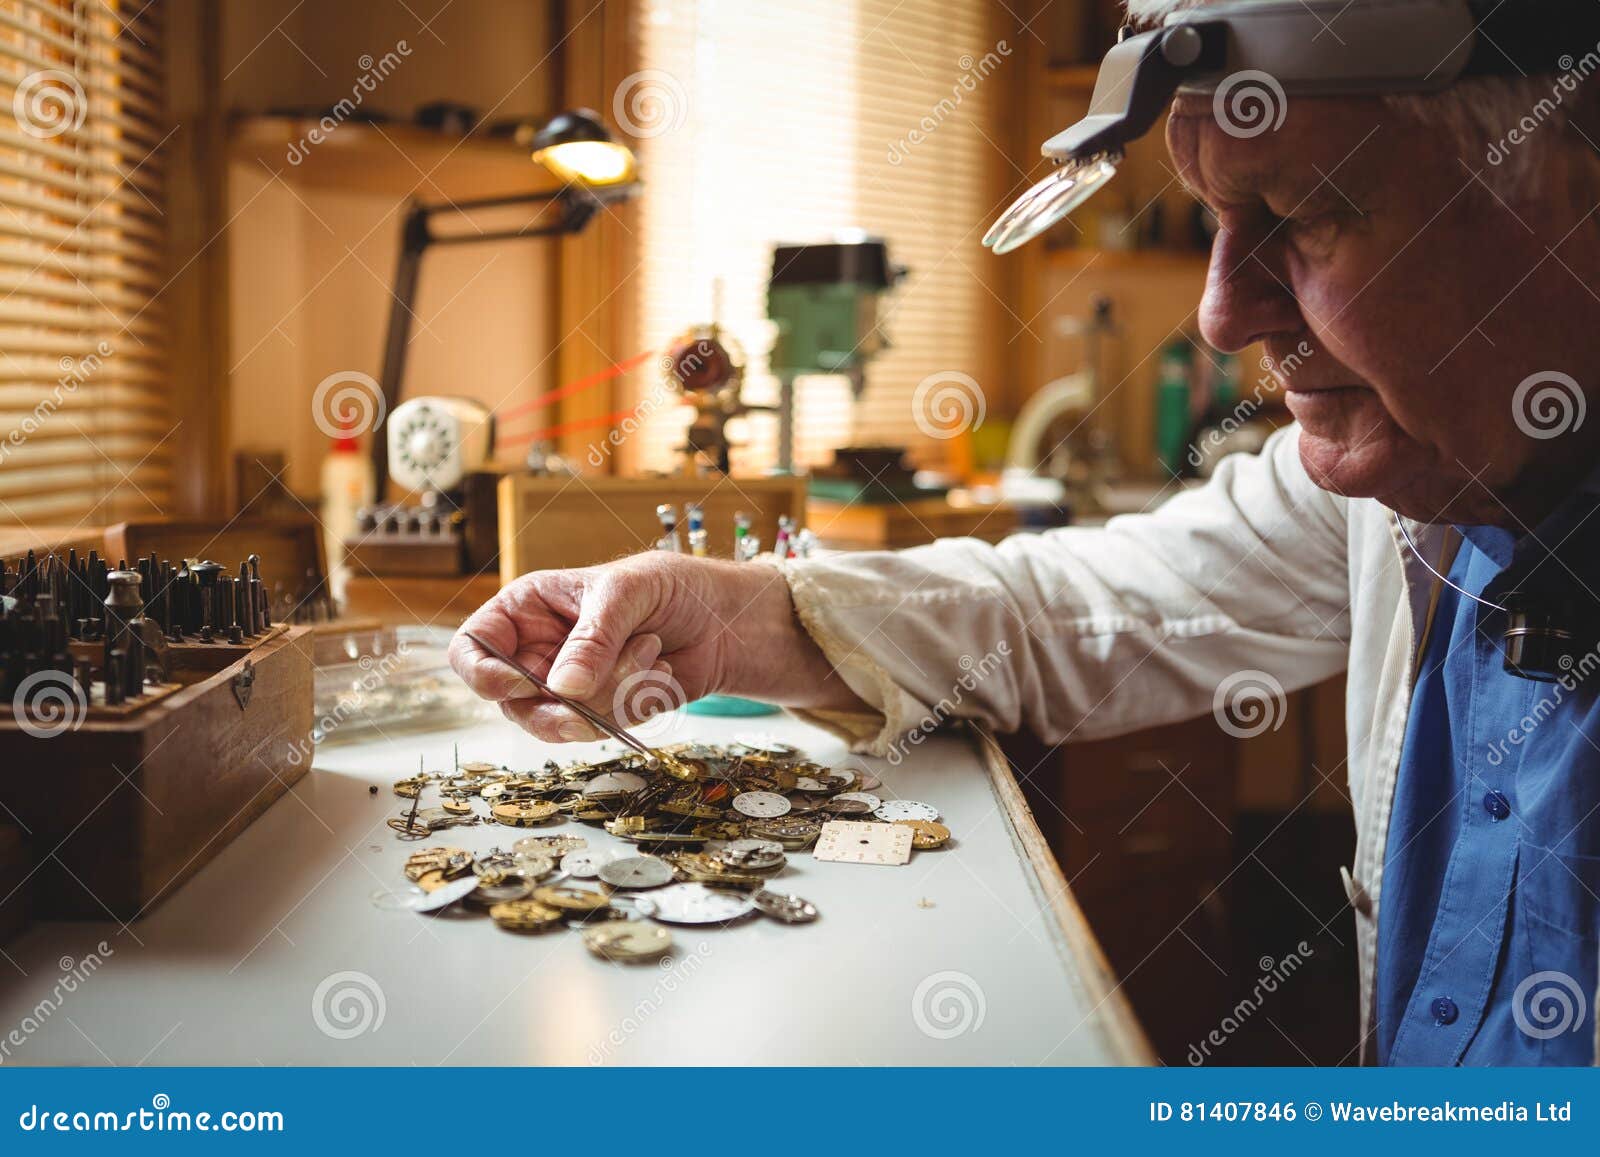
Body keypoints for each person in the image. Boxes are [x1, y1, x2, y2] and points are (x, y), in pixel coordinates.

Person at [452, 2, 1600, 1065]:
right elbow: (1076, 607)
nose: (1218, 311)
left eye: (1306, 212)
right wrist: (731, 610)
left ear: (1566, 189)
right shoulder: (1396, 492)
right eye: (1213, 218)